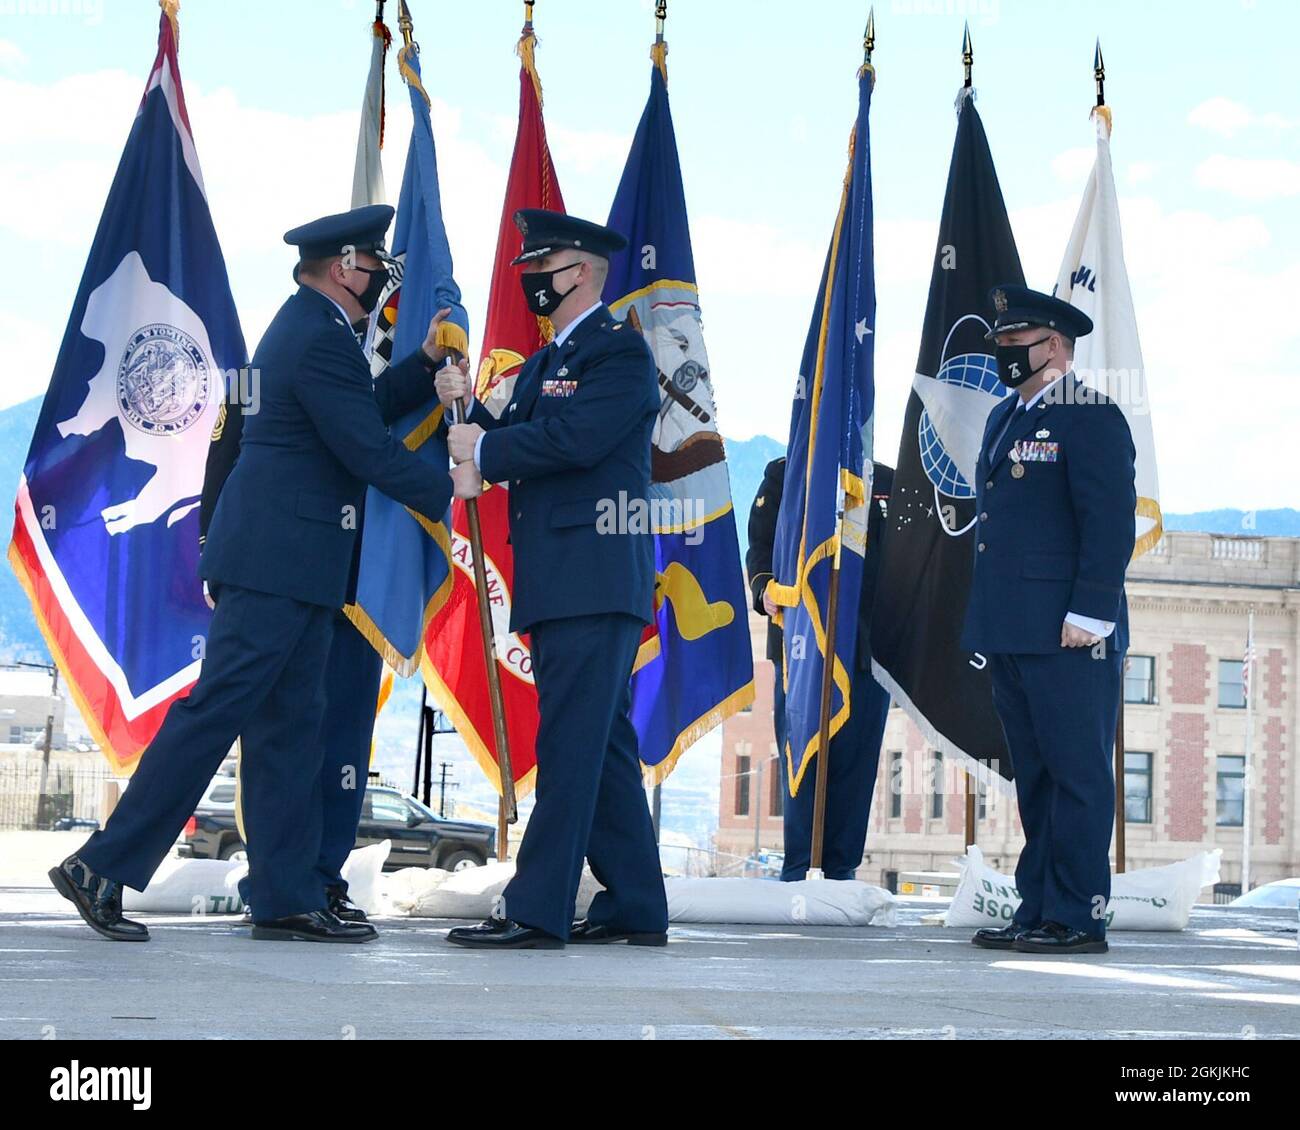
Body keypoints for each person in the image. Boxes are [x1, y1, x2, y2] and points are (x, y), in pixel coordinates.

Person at [50, 204, 455, 944]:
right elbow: (363, 446)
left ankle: (283, 893)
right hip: (277, 563)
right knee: (219, 713)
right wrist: (455, 488)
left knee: (288, 732)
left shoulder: (310, 329)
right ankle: (101, 865)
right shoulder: (317, 336)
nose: (381, 283)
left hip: (292, 564)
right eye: (374, 268)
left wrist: (424, 368)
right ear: (344, 268)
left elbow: (356, 411)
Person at [438, 208, 668, 950]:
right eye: (529, 270)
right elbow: (510, 438)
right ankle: (635, 904)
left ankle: (535, 908)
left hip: (594, 578)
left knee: (570, 746)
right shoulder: (545, 364)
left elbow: (576, 439)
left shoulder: (620, 356)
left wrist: (487, 449)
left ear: (584, 273)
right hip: (562, 580)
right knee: (599, 751)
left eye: (544, 268)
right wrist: (463, 407)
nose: (532, 281)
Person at [963, 284, 1136, 956]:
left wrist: (1090, 613)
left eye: (1016, 341)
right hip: (1012, 628)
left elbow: (1107, 522)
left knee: (1077, 775)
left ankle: (1079, 918)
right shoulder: (1005, 416)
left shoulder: (1089, 415)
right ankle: (1038, 909)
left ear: (1056, 346)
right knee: (1034, 777)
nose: (1005, 352)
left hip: (1071, 632)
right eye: (1001, 343)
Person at [746, 456, 895, 881]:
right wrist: (764, 589)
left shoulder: (884, 480)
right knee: (802, 760)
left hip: (866, 647)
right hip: (801, 646)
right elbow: (760, 545)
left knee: (856, 762)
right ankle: (798, 868)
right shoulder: (784, 472)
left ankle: (840, 870)